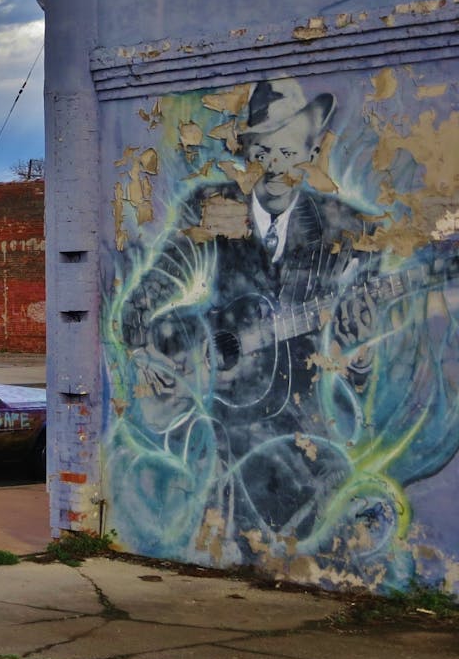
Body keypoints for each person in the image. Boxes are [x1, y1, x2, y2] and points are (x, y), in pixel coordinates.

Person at [116, 77, 379, 562]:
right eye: (264, 149)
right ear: (247, 150)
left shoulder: (349, 229)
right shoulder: (215, 206)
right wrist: (136, 345)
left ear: (313, 148)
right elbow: (155, 282)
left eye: (290, 149)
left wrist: (359, 352)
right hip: (219, 418)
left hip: (305, 430)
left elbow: (368, 365)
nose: (276, 164)